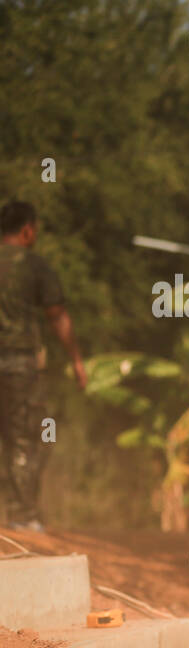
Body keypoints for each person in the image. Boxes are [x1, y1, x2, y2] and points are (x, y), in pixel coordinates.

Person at [0, 200, 87, 531]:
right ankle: (22, 515)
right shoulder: (34, 265)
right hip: (20, 364)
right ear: (26, 230)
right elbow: (57, 316)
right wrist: (77, 360)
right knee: (27, 437)